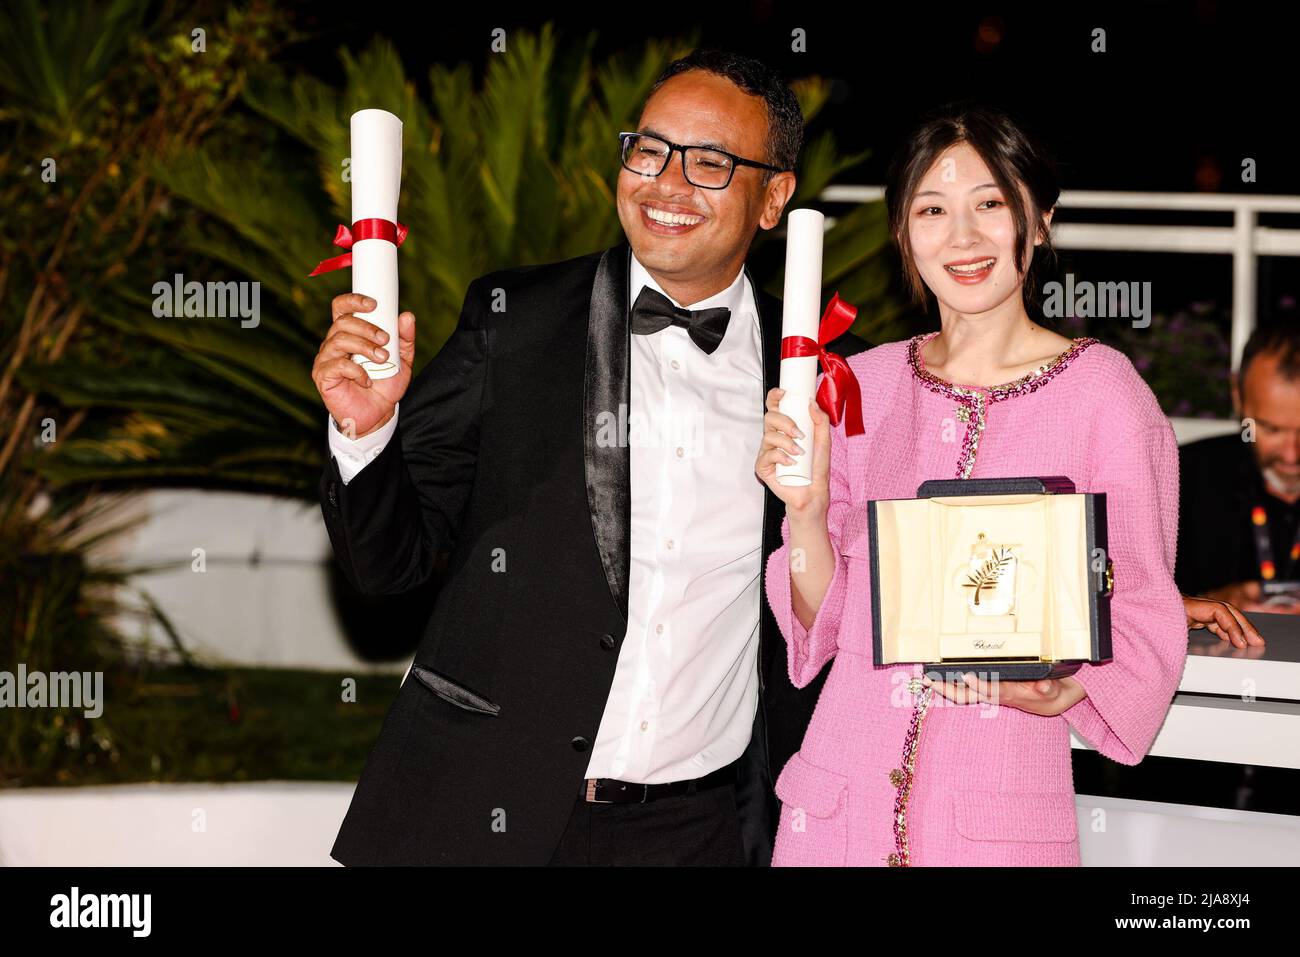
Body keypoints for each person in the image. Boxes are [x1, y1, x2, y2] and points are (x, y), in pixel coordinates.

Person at [310, 49, 866, 865]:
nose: (666, 184)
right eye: (648, 149)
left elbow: (846, 610)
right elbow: (386, 566)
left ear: (774, 196)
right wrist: (365, 436)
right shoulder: (516, 321)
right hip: (473, 810)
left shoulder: (820, 382)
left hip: (692, 833)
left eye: (710, 164)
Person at [756, 103, 1248, 867]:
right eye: (931, 209)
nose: (962, 237)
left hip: (998, 825)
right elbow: (821, 621)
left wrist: (1072, 687)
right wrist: (809, 515)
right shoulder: (860, 387)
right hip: (833, 814)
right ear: (901, 234)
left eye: (990, 203)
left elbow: (1143, 606)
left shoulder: (1106, 396)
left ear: (1040, 219)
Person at [1178, 323, 1300, 614]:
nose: (1291, 454)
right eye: (1271, 429)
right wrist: (1202, 606)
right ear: (1238, 395)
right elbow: (1128, 604)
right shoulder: (1182, 476)